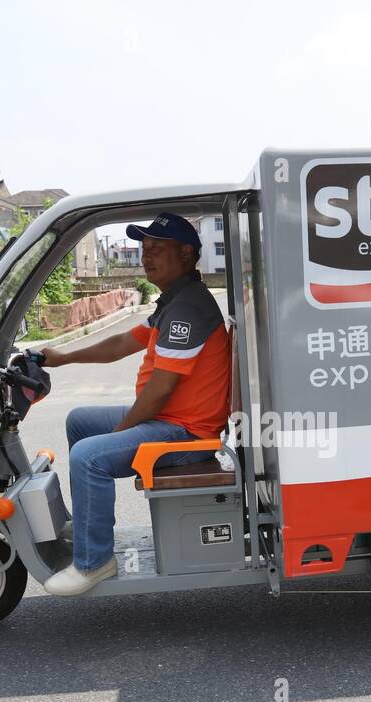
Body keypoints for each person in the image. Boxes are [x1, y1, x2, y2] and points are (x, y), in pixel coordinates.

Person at [33, 212, 231, 595]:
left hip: (187, 432)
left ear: (187, 253)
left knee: (91, 455)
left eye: (158, 249)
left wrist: (123, 432)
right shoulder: (173, 301)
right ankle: (88, 524)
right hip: (170, 419)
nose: (147, 256)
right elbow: (122, 343)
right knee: (80, 422)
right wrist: (61, 356)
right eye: (145, 249)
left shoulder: (189, 308)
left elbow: (159, 391)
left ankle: (95, 563)